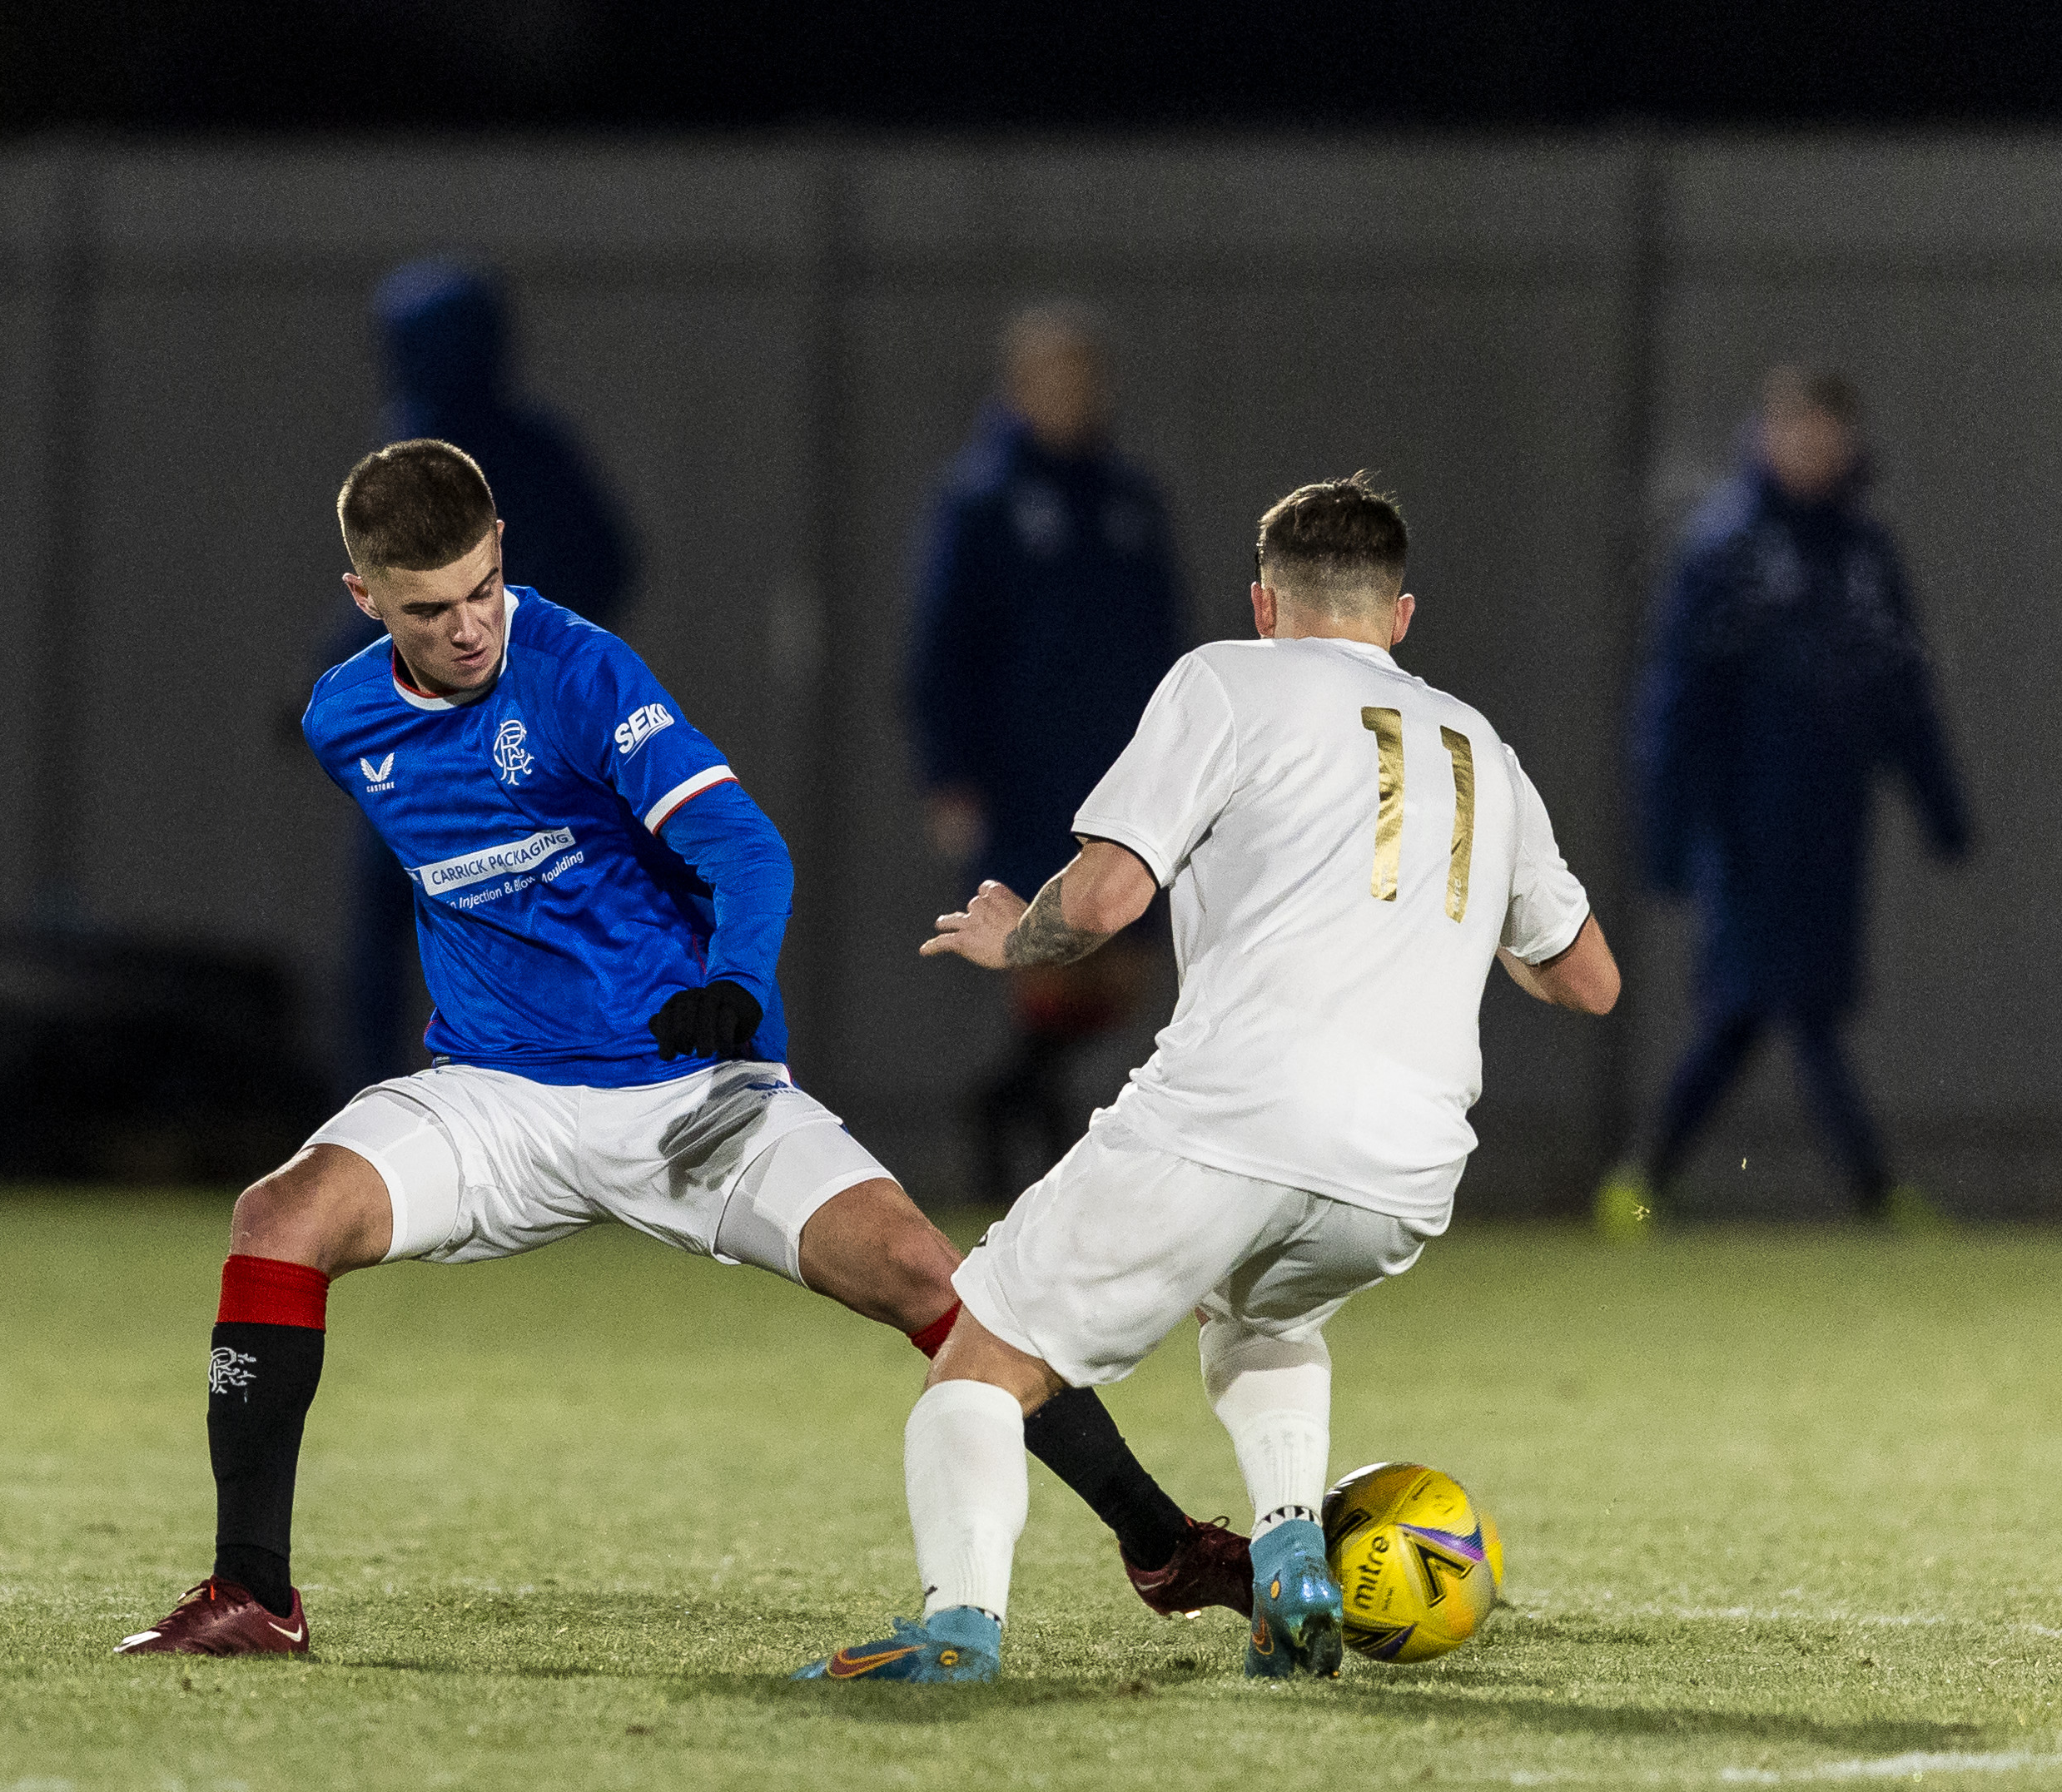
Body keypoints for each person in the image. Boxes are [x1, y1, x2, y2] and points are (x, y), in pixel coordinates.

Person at [117, 440, 1248, 1656]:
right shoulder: (346, 719)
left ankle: (1160, 1543)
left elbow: (747, 851)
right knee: (276, 1221)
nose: (464, 628)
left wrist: (729, 985)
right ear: (365, 601)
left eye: (479, 590)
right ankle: (253, 1594)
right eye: (427, 609)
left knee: (936, 1284)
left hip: (691, 1093)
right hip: (498, 1096)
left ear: (501, 547)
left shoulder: (580, 671)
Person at [802, 477, 1619, 1685]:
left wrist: (1009, 936)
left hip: (1234, 1115)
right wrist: (1440, 917)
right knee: (1266, 1312)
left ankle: (955, 1632)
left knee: (981, 1357)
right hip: (1403, 1166)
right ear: (1398, 618)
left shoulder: (1224, 678)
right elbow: (1587, 981)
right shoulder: (1477, 746)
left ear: (1262, 603)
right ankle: (1292, 1564)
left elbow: (1104, 898)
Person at [1600, 369, 1970, 1238]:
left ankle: (1642, 1183)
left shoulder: (1865, 555)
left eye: (1828, 434)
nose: (1813, 450)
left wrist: (1938, 801)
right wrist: (1670, 826)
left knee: (1754, 1011)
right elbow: (1677, 698)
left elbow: (1903, 689)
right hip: (1745, 826)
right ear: (1766, 438)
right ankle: (1875, 1192)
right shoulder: (1724, 552)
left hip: (1833, 827)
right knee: (1788, 1004)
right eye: (1797, 432)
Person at [335, 262, 638, 1092]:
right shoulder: (427, 442)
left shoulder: (504, 455)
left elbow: (600, 562)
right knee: (404, 919)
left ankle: (536, 1094)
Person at [907, 302, 1185, 1201]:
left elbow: (1165, 637)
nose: (1071, 393)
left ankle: (1017, 1095)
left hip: (1125, 772)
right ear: (1018, 389)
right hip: (1029, 779)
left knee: (1129, 961)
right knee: (1047, 947)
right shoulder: (983, 501)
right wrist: (950, 771)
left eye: (1083, 374)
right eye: (1052, 376)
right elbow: (943, 644)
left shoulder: (1129, 500)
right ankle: (1029, 1129)